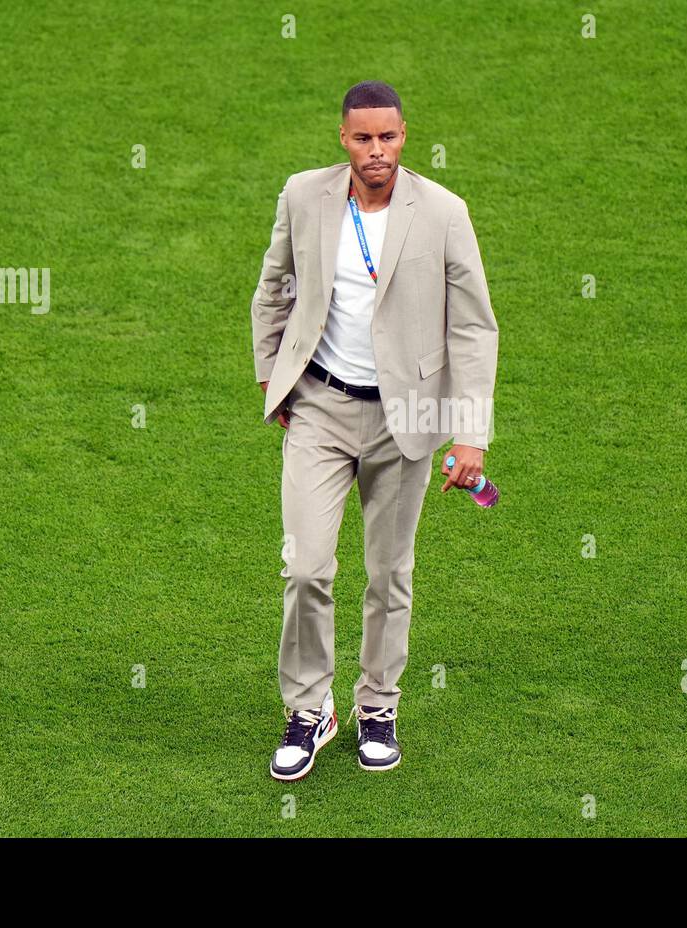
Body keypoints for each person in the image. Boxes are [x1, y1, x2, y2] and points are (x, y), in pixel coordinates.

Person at [250, 80, 499, 780]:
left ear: (405, 136)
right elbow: (274, 287)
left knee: (389, 575)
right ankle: (309, 709)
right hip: (321, 410)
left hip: (408, 420)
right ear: (343, 139)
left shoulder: (445, 213)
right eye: (363, 138)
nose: (376, 150)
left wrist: (469, 433)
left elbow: (475, 326)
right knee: (305, 567)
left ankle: (377, 705)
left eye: (387, 137)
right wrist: (272, 377)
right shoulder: (303, 195)